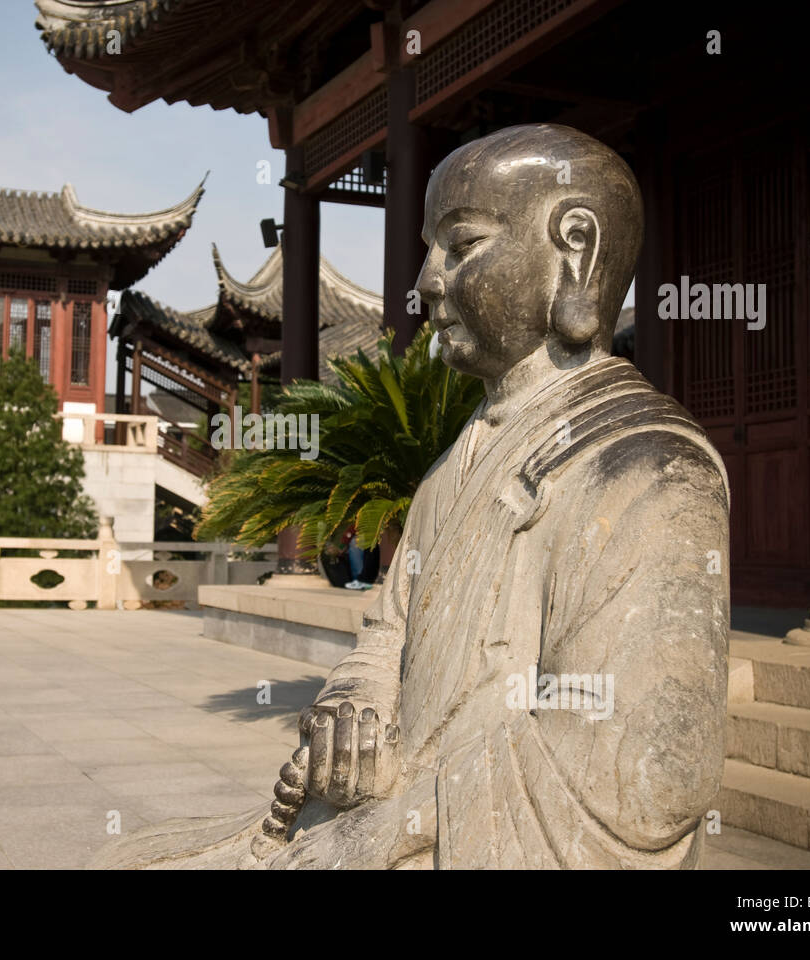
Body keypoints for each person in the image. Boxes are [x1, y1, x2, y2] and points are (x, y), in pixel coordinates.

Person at [92, 124, 729, 869]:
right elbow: (388, 634)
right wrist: (355, 707)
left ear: (576, 251)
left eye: (461, 247)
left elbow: (653, 765)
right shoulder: (454, 464)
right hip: (413, 813)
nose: (428, 281)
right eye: (430, 252)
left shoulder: (649, 471)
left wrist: (399, 825)